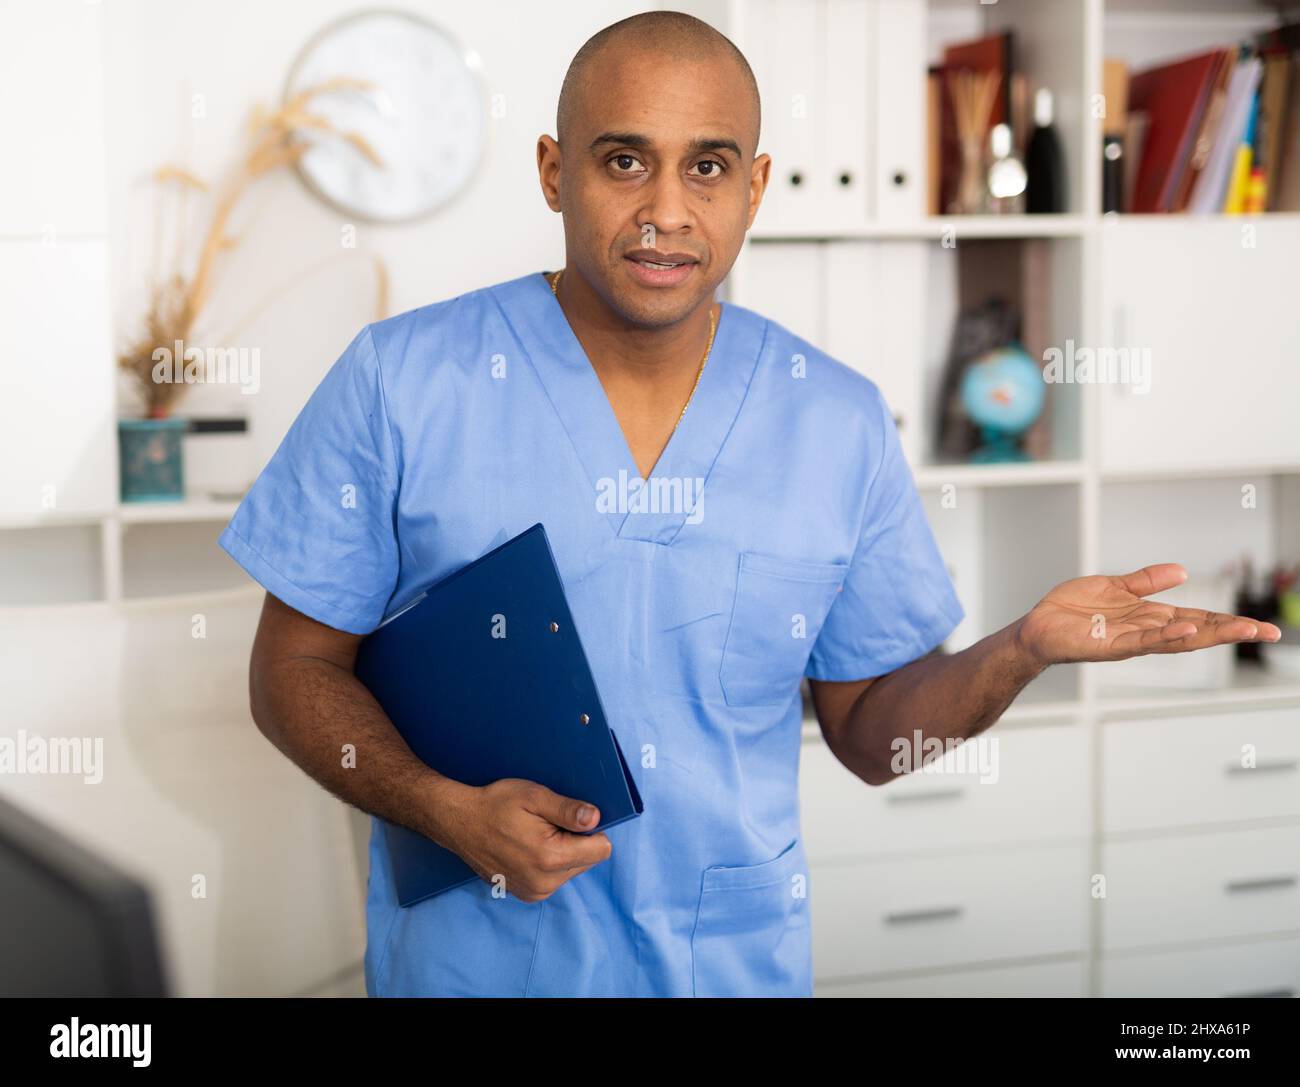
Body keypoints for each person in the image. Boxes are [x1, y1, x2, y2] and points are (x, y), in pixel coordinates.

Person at [219, 11, 1281, 997]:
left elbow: (869, 736)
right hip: (474, 967)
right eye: (623, 159)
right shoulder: (402, 382)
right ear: (553, 172)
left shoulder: (835, 421)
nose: (666, 212)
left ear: (757, 185)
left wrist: (1020, 649)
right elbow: (291, 673)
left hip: (726, 967)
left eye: (709, 166)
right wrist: (441, 809)